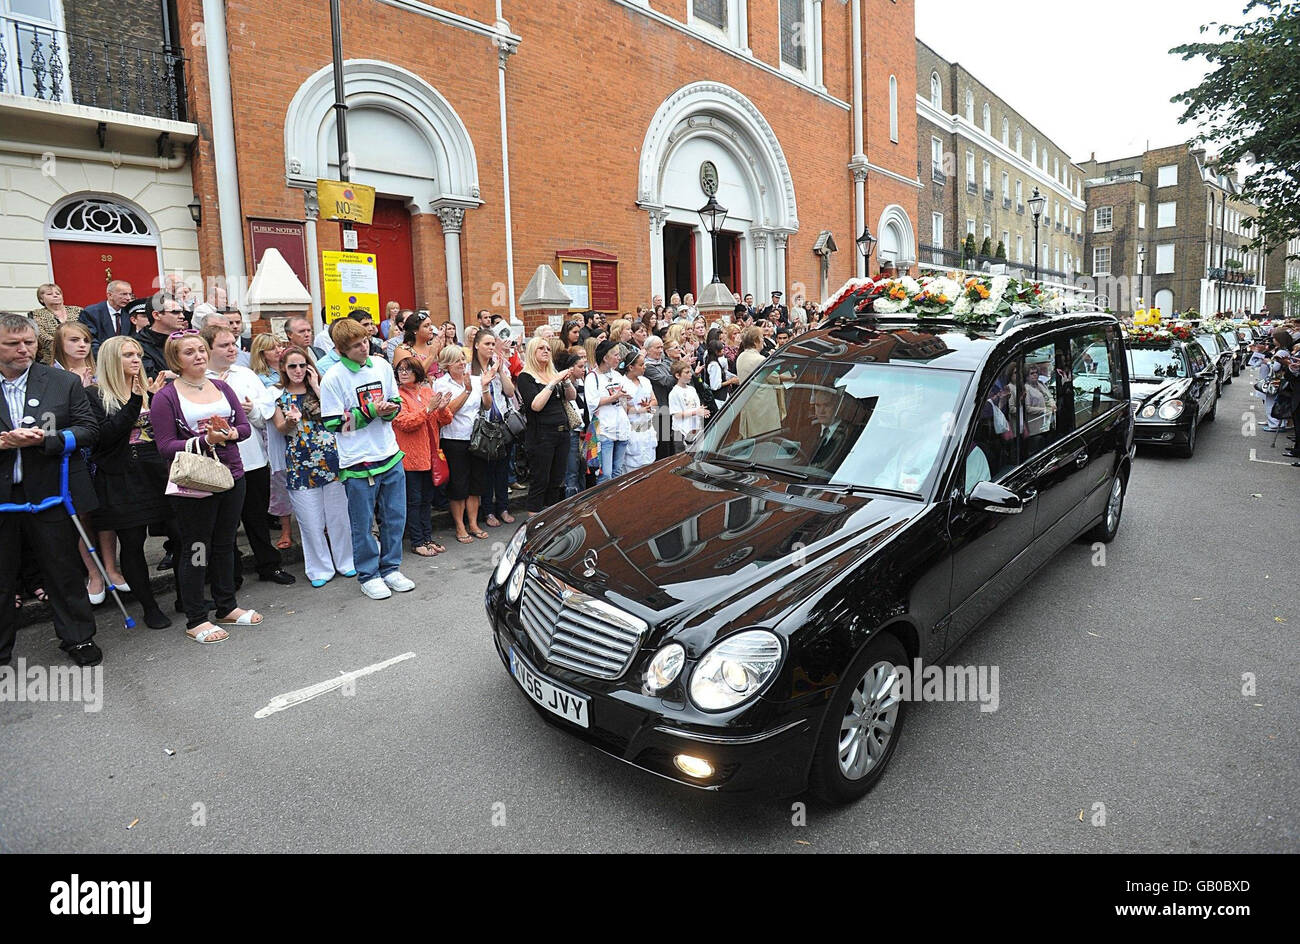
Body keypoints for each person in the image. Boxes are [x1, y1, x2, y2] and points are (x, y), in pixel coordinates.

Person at [0, 313, 102, 667]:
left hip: (50, 492)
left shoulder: (61, 382)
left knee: (63, 570)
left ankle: (78, 638)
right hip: (3, 497)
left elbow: (89, 430)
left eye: (29, 342)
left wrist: (49, 439)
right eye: (12, 344)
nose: (24, 350)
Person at [150, 329, 262, 644]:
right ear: (176, 359)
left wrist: (228, 434)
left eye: (201, 349)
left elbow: (244, 428)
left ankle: (227, 606)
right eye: (189, 352)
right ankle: (196, 617)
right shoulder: (166, 397)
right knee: (197, 547)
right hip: (196, 481)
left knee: (226, 543)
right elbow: (164, 446)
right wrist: (203, 440)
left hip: (232, 475)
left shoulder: (223, 387)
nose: (198, 355)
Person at [320, 316, 414, 600]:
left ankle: (391, 568)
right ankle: (368, 574)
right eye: (355, 345)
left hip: (389, 452)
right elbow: (333, 423)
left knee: (395, 516)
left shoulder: (383, 365)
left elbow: (395, 402)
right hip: (357, 461)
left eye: (364, 341)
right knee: (363, 524)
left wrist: (388, 410)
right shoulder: (334, 378)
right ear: (341, 350)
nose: (363, 348)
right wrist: (370, 412)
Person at [85, 335, 176, 628]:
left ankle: (187, 597)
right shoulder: (94, 395)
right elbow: (106, 436)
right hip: (121, 477)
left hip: (156, 472)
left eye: (137, 353)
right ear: (112, 360)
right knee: (133, 543)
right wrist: (137, 399)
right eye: (127, 355)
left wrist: (153, 397)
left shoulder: (151, 391)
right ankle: (149, 607)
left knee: (180, 534)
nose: (136, 359)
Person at [202, 324, 295, 587]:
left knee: (256, 517)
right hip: (217, 462)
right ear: (208, 348)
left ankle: (269, 564)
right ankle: (230, 572)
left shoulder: (245, 374)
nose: (232, 349)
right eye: (224, 345)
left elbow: (265, 413)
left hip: (252, 457)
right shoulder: (200, 379)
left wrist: (251, 409)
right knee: (224, 523)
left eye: (233, 343)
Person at [270, 346, 356, 587]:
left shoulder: (322, 387)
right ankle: (319, 569)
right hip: (300, 463)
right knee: (311, 521)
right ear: (284, 369)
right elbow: (280, 428)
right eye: (292, 366)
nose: (297, 370)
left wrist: (317, 385)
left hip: (331, 459)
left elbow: (339, 415)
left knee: (339, 517)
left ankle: (346, 561)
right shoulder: (277, 395)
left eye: (301, 365)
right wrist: (289, 421)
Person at [391, 357, 452, 557]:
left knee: (427, 500)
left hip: (430, 455)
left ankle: (427, 538)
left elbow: (445, 420)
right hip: (410, 458)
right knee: (414, 501)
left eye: (408, 369)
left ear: (418, 372)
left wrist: (442, 407)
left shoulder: (427, 392)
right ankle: (417, 541)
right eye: (400, 369)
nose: (403, 373)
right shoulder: (397, 396)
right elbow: (405, 423)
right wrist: (428, 409)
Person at [517, 337, 578, 516]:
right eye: (540, 348)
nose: (546, 351)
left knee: (557, 479)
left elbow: (571, 397)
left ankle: (551, 519)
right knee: (540, 480)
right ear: (532, 353)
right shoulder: (525, 377)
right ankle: (533, 522)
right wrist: (552, 383)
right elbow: (535, 405)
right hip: (541, 435)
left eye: (548, 349)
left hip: (562, 432)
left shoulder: (553, 372)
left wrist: (565, 381)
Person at [469, 329, 516, 528]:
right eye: (486, 344)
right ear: (477, 345)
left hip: (502, 422)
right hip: (483, 424)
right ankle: (488, 511)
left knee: (503, 469)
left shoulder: (499, 365)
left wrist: (500, 371)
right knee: (487, 470)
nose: (490, 348)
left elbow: (510, 391)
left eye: (492, 344)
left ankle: (503, 508)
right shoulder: (471, 370)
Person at [584, 340, 632, 480]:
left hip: (621, 427)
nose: (619, 358)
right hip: (604, 430)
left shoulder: (617, 375)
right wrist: (614, 397)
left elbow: (623, 397)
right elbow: (592, 403)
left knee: (618, 472)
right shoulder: (592, 377)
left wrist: (624, 397)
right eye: (615, 355)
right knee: (605, 474)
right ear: (605, 358)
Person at [134, 294, 187, 381]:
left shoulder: (186, 339)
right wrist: (183, 375)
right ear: (156, 315)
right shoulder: (138, 345)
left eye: (182, 312)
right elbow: (153, 380)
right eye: (175, 312)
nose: (182, 316)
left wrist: (172, 374)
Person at [29, 283, 85, 365]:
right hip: (52, 358)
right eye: (49, 294)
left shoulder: (77, 310)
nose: (55, 296)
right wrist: (64, 347)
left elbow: (86, 330)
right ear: (41, 299)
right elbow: (42, 335)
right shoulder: (36, 314)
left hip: (80, 355)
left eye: (58, 293)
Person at [622, 350, 658, 471]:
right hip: (632, 427)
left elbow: (654, 401)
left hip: (647, 427)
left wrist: (648, 406)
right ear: (631, 367)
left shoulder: (646, 381)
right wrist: (638, 410)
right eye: (641, 365)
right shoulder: (622, 383)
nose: (644, 367)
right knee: (633, 465)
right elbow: (622, 408)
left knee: (649, 464)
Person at [79, 279, 135, 356]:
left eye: (130, 294)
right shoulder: (91, 313)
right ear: (110, 295)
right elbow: (90, 340)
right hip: (102, 359)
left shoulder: (130, 312)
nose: (128, 298)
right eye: (124, 294)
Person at [668, 358, 708, 451]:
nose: (690, 374)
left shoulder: (692, 389)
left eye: (690, 372)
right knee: (682, 458)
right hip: (681, 431)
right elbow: (677, 415)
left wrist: (703, 411)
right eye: (686, 372)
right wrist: (696, 412)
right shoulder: (674, 393)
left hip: (695, 429)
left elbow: (697, 407)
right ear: (677, 375)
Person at [393, 311, 443, 377]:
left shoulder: (433, 347)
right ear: (414, 330)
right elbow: (412, 376)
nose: (431, 328)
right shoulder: (402, 350)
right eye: (426, 326)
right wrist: (431, 356)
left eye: (430, 325)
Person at [704, 336, 739, 404]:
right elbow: (715, 386)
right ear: (716, 351)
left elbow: (724, 373)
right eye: (721, 349)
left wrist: (733, 377)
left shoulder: (714, 362)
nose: (723, 350)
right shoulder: (714, 365)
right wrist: (730, 381)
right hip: (719, 399)